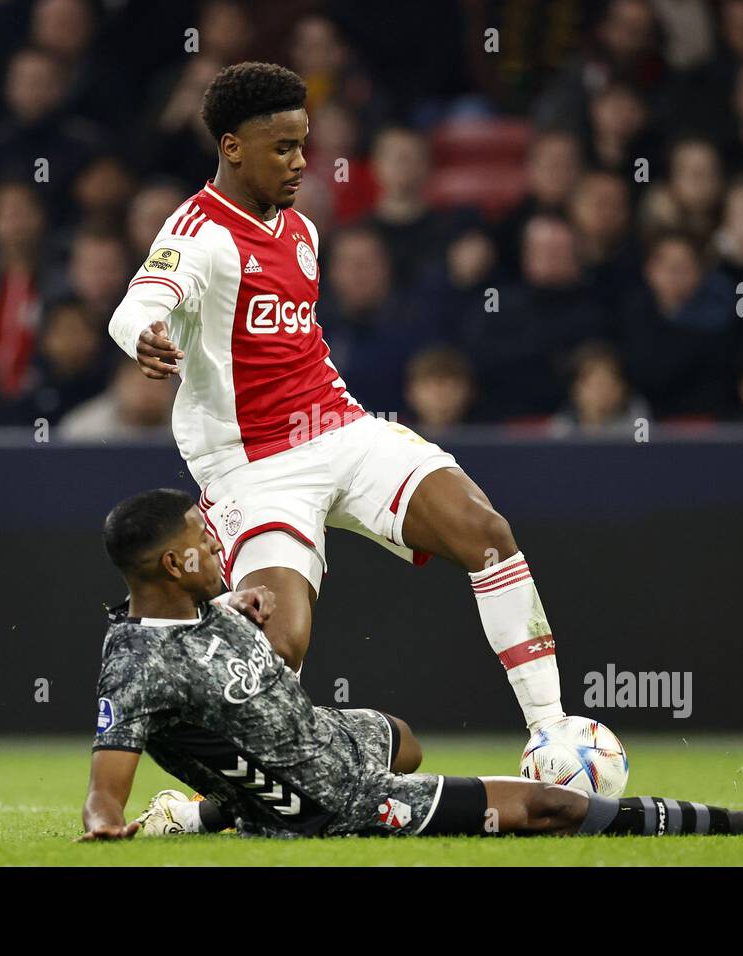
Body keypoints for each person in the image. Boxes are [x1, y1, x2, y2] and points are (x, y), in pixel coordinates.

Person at [107, 63, 569, 752]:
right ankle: (208, 797)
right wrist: (141, 336)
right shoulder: (198, 233)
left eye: (303, 144)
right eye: (282, 148)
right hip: (253, 468)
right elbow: (138, 303)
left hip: (340, 427)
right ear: (232, 147)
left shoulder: (303, 232)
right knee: (281, 645)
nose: (300, 162)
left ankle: (553, 736)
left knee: (487, 532)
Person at [80, 489, 743, 841]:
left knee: (404, 736)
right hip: (338, 801)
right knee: (554, 809)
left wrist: (234, 597)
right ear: (175, 562)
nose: (220, 544)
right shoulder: (138, 665)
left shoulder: (196, 602)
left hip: (325, 737)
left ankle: (201, 815)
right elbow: (104, 790)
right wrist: (106, 822)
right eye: (205, 542)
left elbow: (206, 620)